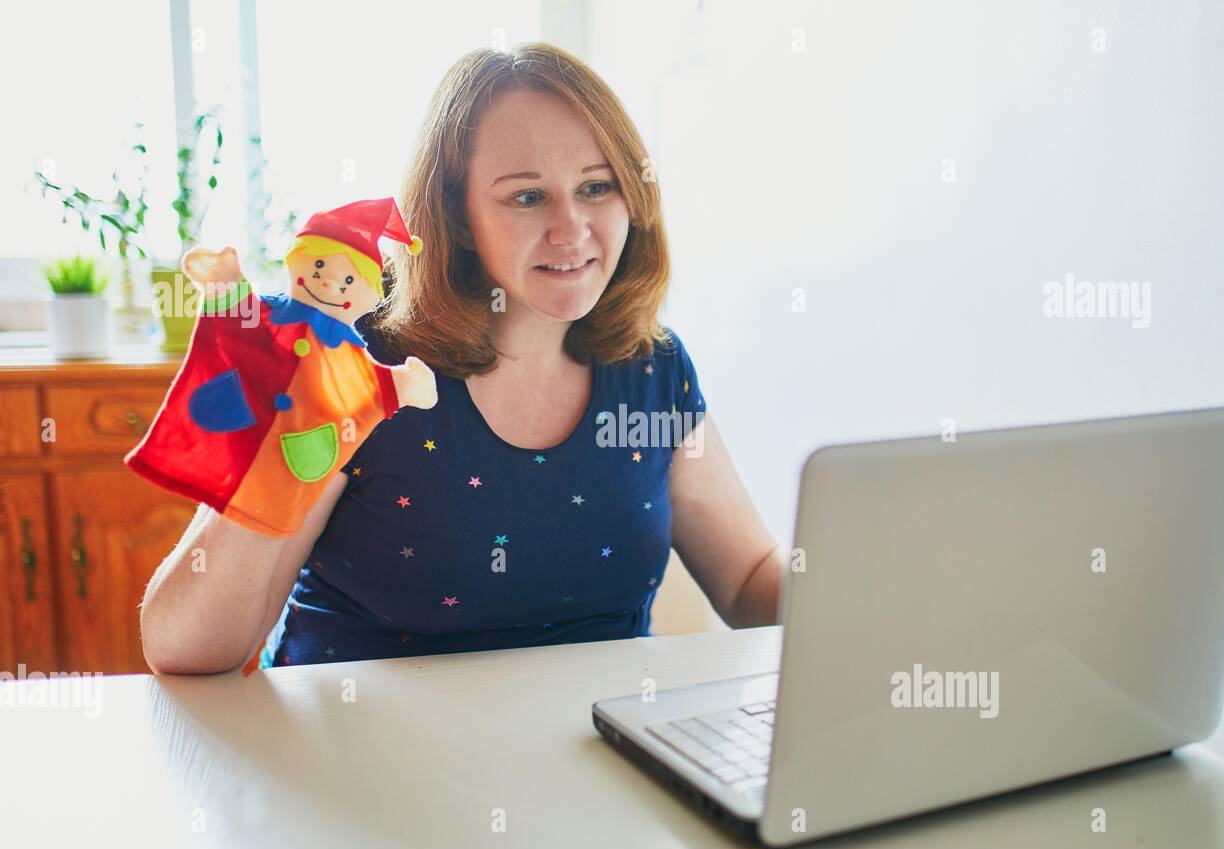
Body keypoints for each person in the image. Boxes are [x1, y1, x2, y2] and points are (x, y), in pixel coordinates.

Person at [141, 42, 783, 674]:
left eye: (596, 187)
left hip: (594, 753)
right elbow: (189, 649)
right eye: (527, 197)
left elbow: (750, 580)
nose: (572, 230)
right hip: (364, 760)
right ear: (455, 213)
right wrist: (290, 418)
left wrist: (864, 591)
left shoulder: (653, 367)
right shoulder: (362, 364)